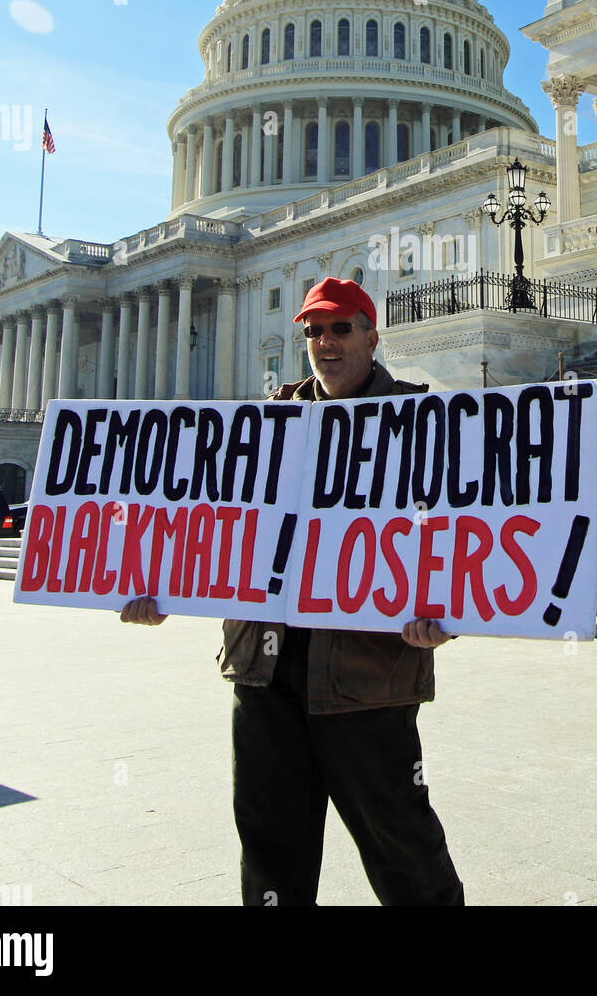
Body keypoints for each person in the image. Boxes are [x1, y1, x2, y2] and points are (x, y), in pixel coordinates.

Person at [121, 276, 464, 906]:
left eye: (339, 328)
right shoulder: (262, 425)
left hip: (367, 677)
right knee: (269, 847)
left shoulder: (421, 421)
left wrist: (446, 612)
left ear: (371, 335)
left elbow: (465, 538)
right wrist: (158, 586)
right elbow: (206, 525)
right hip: (265, 673)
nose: (324, 342)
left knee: (403, 846)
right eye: (312, 330)